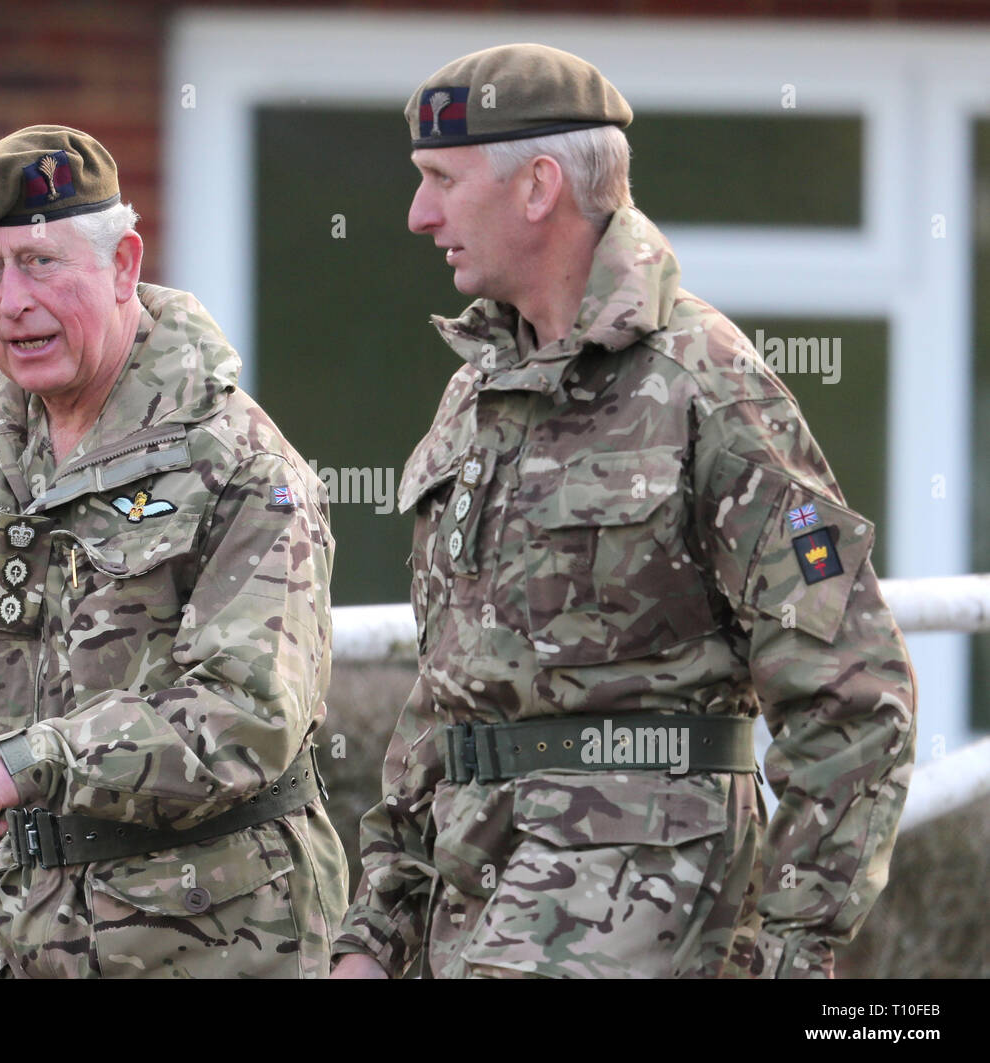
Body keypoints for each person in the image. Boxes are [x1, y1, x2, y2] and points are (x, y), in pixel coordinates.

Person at [329, 45, 915, 979]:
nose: (418, 213)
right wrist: (375, 931)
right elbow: (451, 690)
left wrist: (799, 953)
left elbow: (852, 687)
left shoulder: (704, 384)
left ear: (538, 187)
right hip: (474, 893)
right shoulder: (479, 395)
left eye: (441, 179)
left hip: (643, 884)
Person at [0, 125, 347, 978]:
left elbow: (246, 718)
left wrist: (27, 764)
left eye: (41, 263)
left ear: (123, 266)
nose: (12, 300)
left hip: (204, 937)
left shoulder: (235, 462)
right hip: (16, 935)